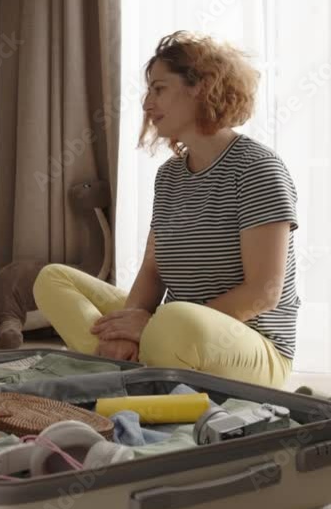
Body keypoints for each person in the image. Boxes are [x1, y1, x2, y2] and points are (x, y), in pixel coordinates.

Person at [34, 31, 299, 388]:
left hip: (250, 346)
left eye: (159, 89)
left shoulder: (257, 168)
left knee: (173, 323)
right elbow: (152, 271)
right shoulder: (170, 176)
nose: (146, 103)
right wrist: (130, 327)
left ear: (201, 88)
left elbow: (263, 292)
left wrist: (152, 324)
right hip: (170, 329)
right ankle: (125, 360)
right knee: (53, 279)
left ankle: (119, 369)